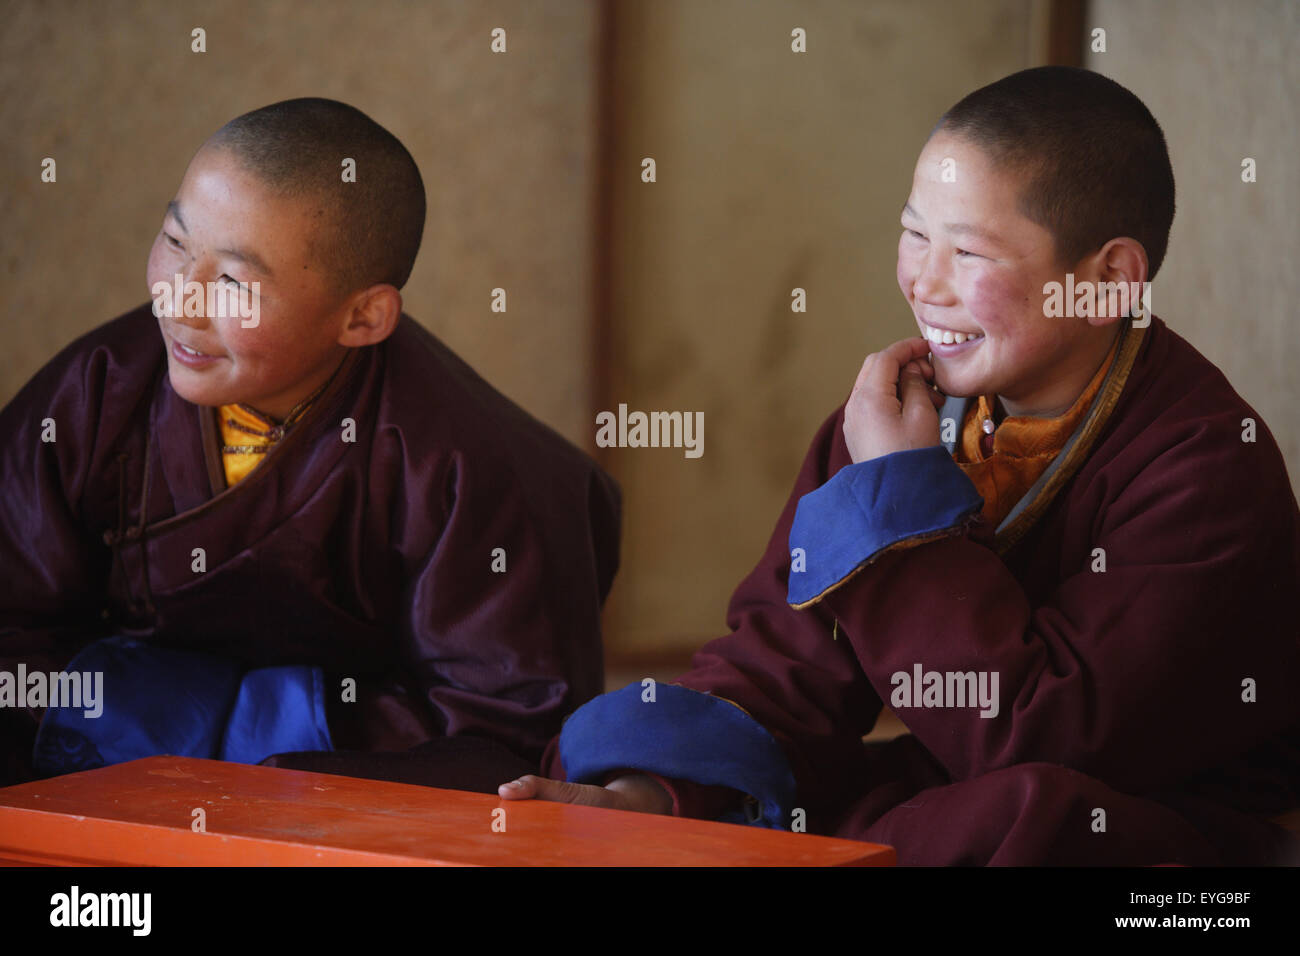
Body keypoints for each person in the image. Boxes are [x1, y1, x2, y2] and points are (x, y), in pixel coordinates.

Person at [499, 67, 1300, 865]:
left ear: (1108, 281)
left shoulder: (1200, 467)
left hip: (1152, 820)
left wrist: (895, 497)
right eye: (915, 234)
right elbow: (784, 665)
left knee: (1024, 817)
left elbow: (1046, 738)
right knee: (637, 743)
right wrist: (655, 797)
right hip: (960, 776)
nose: (923, 280)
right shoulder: (900, 420)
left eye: (969, 251)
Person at [0, 98, 620, 791]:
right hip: (98, 769)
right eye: (175, 244)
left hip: (333, 805)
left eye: (234, 281)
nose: (180, 301)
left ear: (362, 317)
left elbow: (506, 737)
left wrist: (268, 751)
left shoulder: (473, 470)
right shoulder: (96, 392)